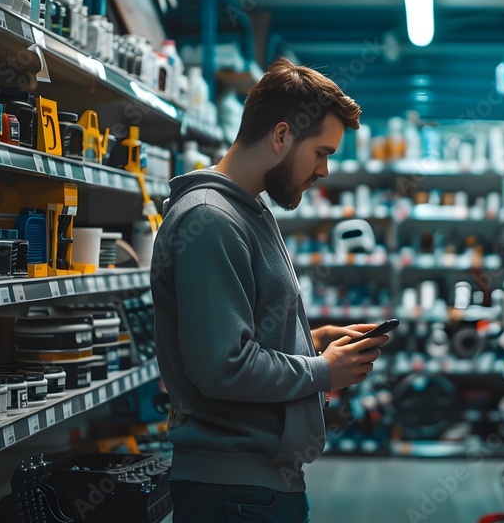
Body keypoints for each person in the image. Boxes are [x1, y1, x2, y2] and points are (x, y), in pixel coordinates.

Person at [151, 57, 390, 522]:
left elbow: (241, 336)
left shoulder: (249, 211)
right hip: (234, 493)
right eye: (321, 152)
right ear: (282, 135)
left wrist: (310, 340)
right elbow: (223, 367)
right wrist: (322, 372)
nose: (323, 170)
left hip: (258, 484)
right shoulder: (211, 219)